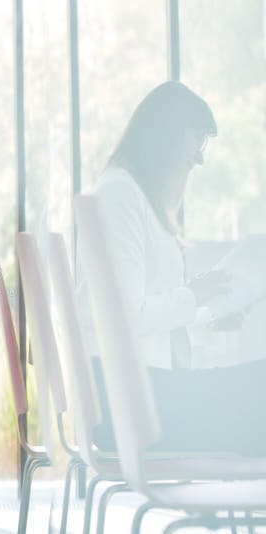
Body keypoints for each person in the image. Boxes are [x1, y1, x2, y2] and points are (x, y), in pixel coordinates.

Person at [77, 80, 266, 456]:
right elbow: (125, 318)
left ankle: (227, 511)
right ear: (163, 135)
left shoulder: (131, 197)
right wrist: (194, 296)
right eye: (195, 138)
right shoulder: (119, 197)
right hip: (135, 404)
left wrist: (204, 309)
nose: (199, 158)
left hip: (144, 393)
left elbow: (143, 313)